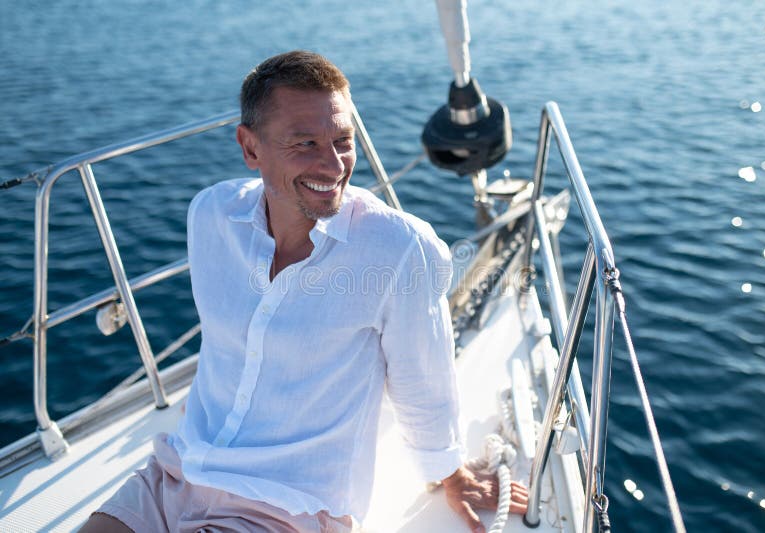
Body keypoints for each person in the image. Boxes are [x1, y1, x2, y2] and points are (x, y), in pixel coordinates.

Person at [81, 50, 528, 533]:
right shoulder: (211, 215)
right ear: (250, 149)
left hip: (286, 505)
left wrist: (448, 471)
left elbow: (422, 379)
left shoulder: (398, 249)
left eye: (342, 140)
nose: (333, 164)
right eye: (306, 143)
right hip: (177, 471)